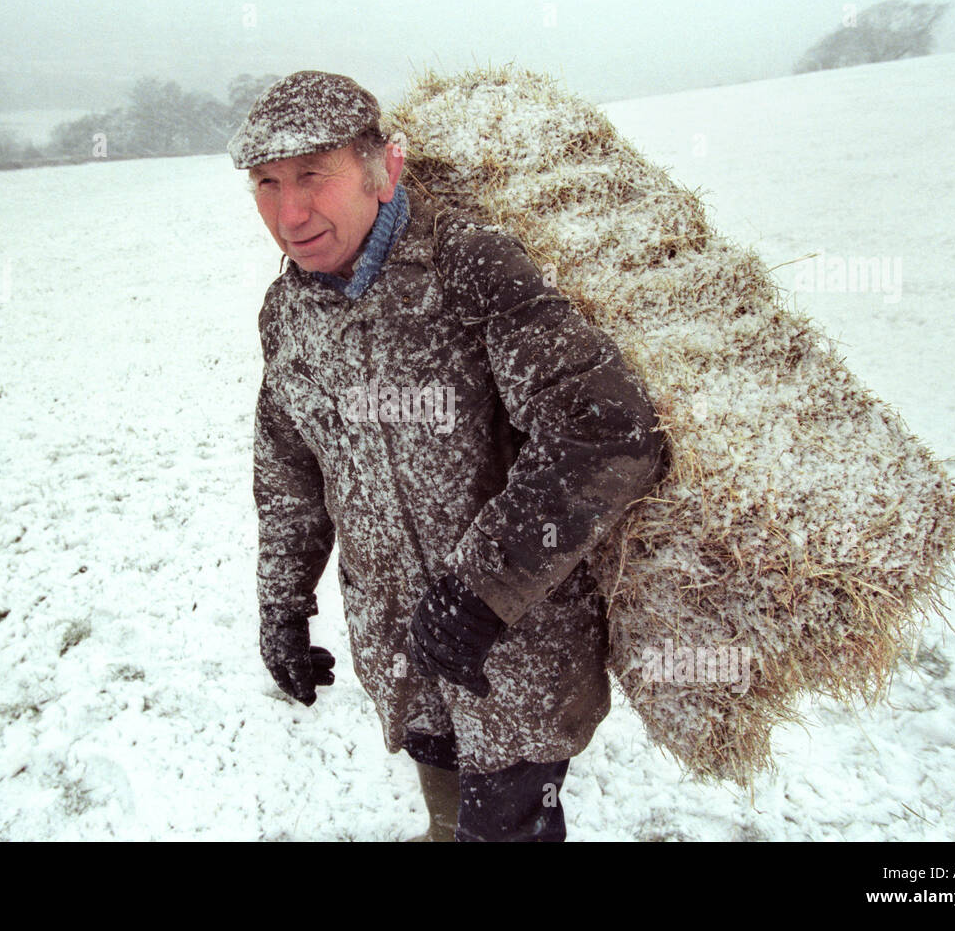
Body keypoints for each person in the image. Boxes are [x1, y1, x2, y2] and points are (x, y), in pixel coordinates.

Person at [230, 70, 667, 841]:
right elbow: (289, 469)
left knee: (508, 830)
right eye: (266, 183)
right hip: (402, 651)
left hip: (515, 652)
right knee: (447, 813)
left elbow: (608, 430)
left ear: (382, 170)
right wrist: (283, 606)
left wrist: (481, 595)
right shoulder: (289, 308)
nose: (289, 213)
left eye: (311, 176)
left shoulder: (471, 269)